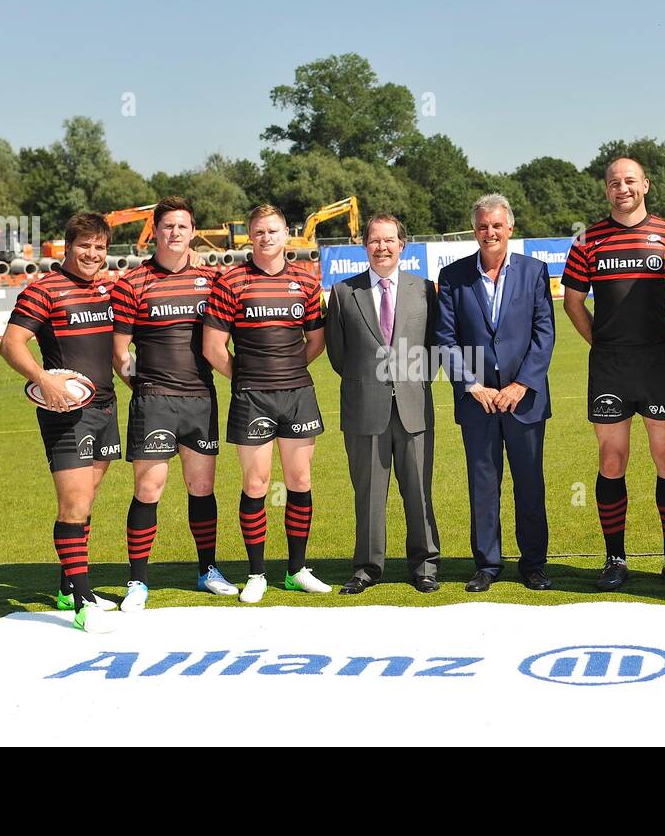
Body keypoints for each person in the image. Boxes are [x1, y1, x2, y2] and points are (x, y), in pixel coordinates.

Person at [561, 157, 665, 591]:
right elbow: (573, 302)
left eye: (630, 181)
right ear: (606, 191)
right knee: (612, 460)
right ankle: (614, 558)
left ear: (646, 185)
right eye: (614, 182)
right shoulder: (589, 240)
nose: (623, 188)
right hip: (611, 367)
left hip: (659, 361)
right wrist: (600, 344)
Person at [111, 196, 236, 613]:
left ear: (192, 230)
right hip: (154, 401)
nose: (175, 233)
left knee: (201, 488)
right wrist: (145, 389)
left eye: (183, 226)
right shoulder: (133, 283)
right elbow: (119, 351)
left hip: (200, 399)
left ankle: (208, 570)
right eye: (168, 226)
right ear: (156, 230)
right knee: (149, 489)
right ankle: (137, 581)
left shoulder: (212, 280)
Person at [0, 212, 121, 633]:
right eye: (85, 245)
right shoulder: (44, 290)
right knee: (73, 504)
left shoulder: (109, 289)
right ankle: (83, 604)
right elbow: (11, 344)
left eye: (100, 247)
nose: (92, 254)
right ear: (68, 246)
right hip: (66, 413)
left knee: (87, 501)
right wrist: (42, 380)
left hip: (106, 409)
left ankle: (69, 587)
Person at [202, 204, 330, 603]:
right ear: (250, 237)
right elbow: (213, 347)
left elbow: (316, 340)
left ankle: (296, 569)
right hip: (252, 398)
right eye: (258, 232)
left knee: (299, 481)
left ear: (286, 233)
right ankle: (256, 572)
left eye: (273, 231)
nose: (266, 238)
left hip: (297, 394)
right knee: (256, 484)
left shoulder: (306, 282)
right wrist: (247, 378)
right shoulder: (231, 282)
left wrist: (286, 371)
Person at [435, 193, 555, 592]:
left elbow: (544, 334)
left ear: (510, 229)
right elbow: (445, 339)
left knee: (530, 484)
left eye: (497, 225)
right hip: (478, 403)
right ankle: (487, 563)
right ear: (475, 230)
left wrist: (521, 385)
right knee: (483, 485)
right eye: (483, 226)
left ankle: (534, 563)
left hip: (525, 402)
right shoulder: (453, 277)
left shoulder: (535, 272)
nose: (490, 232)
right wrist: (473, 386)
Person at [325, 214, 442, 594]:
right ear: (365, 246)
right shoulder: (344, 292)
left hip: (413, 407)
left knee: (418, 490)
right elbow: (339, 356)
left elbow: (434, 349)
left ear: (402, 244)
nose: (382, 247)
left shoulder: (424, 289)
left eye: (389, 240)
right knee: (370, 494)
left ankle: (424, 565)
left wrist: (410, 380)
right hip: (365, 409)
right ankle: (367, 568)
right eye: (375, 240)